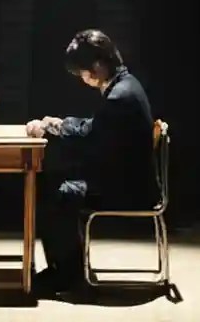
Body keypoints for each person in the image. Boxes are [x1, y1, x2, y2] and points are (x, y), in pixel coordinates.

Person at [25, 29, 160, 297]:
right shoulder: (125, 86)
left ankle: (66, 274)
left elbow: (91, 136)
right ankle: (67, 269)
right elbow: (97, 128)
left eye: (82, 72)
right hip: (124, 177)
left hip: (128, 189)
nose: (81, 78)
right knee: (53, 180)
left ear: (97, 66)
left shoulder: (120, 95)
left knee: (57, 192)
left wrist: (53, 128)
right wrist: (59, 124)